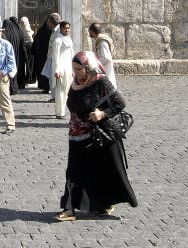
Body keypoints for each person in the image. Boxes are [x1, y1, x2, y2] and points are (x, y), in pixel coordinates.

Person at [55, 50, 137, 221]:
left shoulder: (101, 82)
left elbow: (120, 103)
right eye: (74, 69)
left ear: (89, 67)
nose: (76, 73)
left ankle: (104, 204)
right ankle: (69, 209)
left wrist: (102, 114)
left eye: (79, 69)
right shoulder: (76, 84)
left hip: (96, 136)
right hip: (76, 136)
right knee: (73, 172)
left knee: (100, 172)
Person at [51, 21, 74, 119]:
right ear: (61, 28)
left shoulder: (68, 39)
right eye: (65, 28)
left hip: (68, 68)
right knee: (60, 92)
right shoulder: (58, 41)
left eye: (68, 28)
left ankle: (64, 110)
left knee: (67, 91)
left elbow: (71, 55)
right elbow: (55, 56)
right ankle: (59, 112)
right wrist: (57, 70)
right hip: (60, 69)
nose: (67, 30)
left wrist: (73, 68)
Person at [40, 13, 62, 97]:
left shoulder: (58, 31)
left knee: (54, 78)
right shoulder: (54, 31)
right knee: (50, 78)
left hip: (55, 58)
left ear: (52, 22)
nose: (47, 24)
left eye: (49, 22)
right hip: (50, 57)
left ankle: (55, 96)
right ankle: (54, 96)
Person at [32, 15, 55, 93]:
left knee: (43, 71)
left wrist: (35, 52)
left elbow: (35, 42)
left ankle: (45, 87)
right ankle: (50, 87)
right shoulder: (52, 32)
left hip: (41, 56)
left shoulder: (41, 31)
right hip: (48, 55)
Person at [89, 23, 117, 89]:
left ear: (92, 32)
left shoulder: (102, 42)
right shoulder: (99, 40)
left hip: (105, 70)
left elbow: (106, 58)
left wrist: (95, 65)